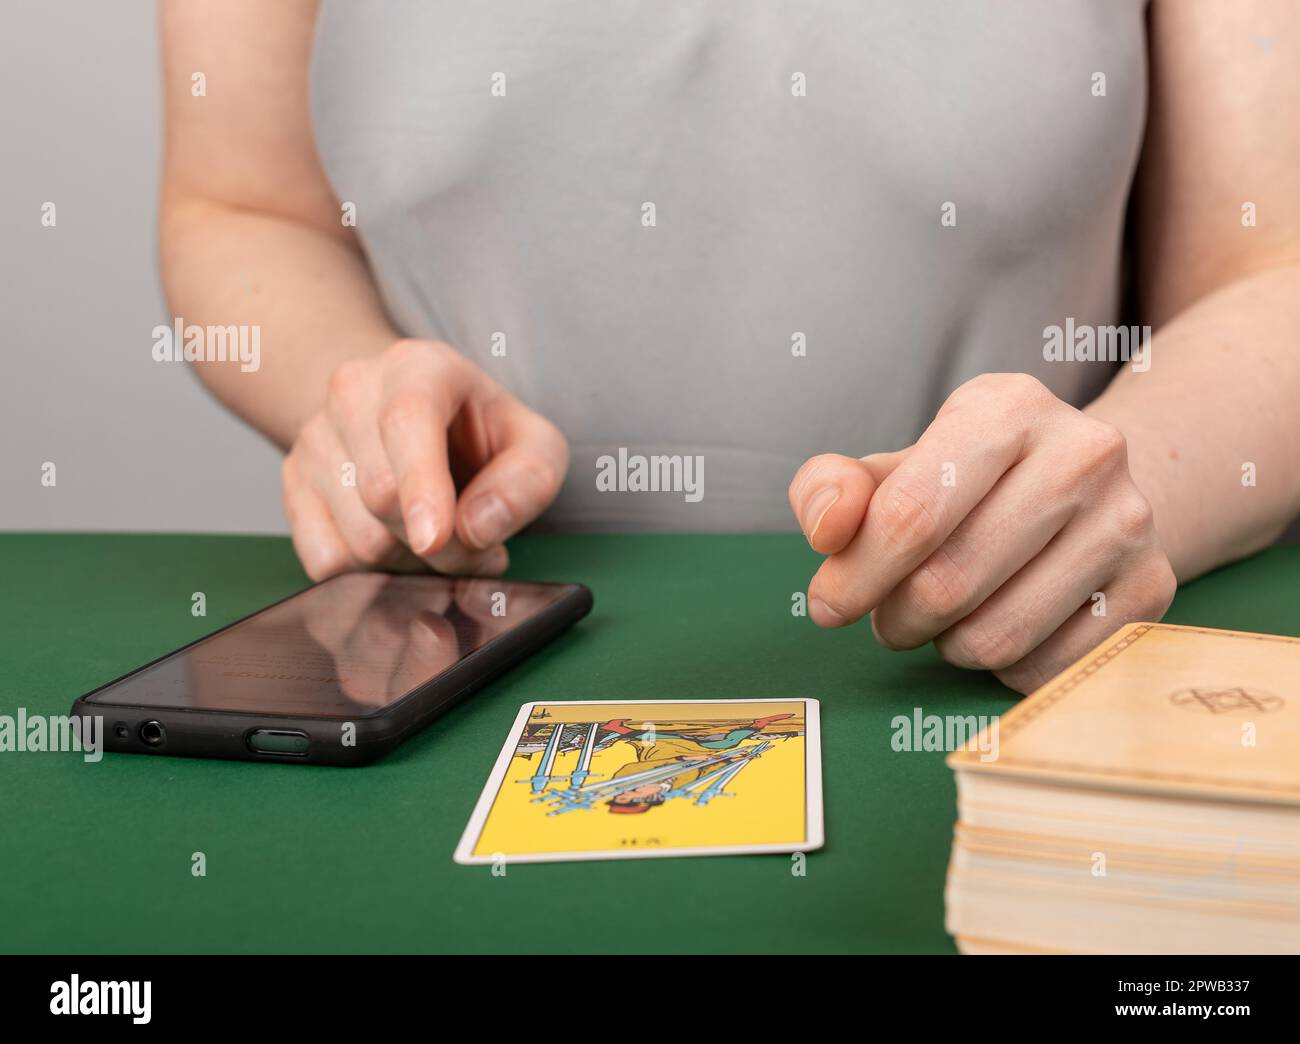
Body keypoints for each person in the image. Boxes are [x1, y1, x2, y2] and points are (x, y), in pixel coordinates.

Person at [158, 1, 1300, 693]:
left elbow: (1268, 274)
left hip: (1018, 673)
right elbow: (243, 203)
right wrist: (350, 389)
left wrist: (1119, 487)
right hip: (442, 659)